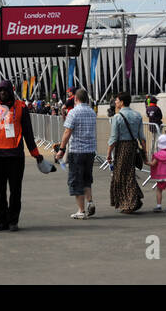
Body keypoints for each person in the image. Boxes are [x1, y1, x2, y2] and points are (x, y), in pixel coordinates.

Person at [0, 80, 44, 231]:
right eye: (0, 90)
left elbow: (28, 133)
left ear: (10, 92)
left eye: (5, 90)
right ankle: (2, 221)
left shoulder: (21, 107)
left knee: (15, 191)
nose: (2, 93)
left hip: (15, 157)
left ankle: (13, 221)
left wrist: (36, 154)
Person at [55, 87, 97, 219]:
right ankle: (90, 202)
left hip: (77, 150)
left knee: (75, 180)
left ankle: (81, 210)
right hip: (90, 151)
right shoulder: (91, 112)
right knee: (86, 179)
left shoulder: (73, 112)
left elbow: (67, 131)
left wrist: (61, 149)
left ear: (76, 99)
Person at [107, 91, 147, 214]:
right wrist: (144, 152)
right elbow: (141, 137)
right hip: (133, 146)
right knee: (128, 173)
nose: (115, 102)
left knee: (121, 175)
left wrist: (109, 154)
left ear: (122, 102)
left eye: (117, 100)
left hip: (122, 147)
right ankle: (133, 199)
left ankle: (130, 202)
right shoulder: (137, 115)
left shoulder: (117, 117)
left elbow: (113, 138)